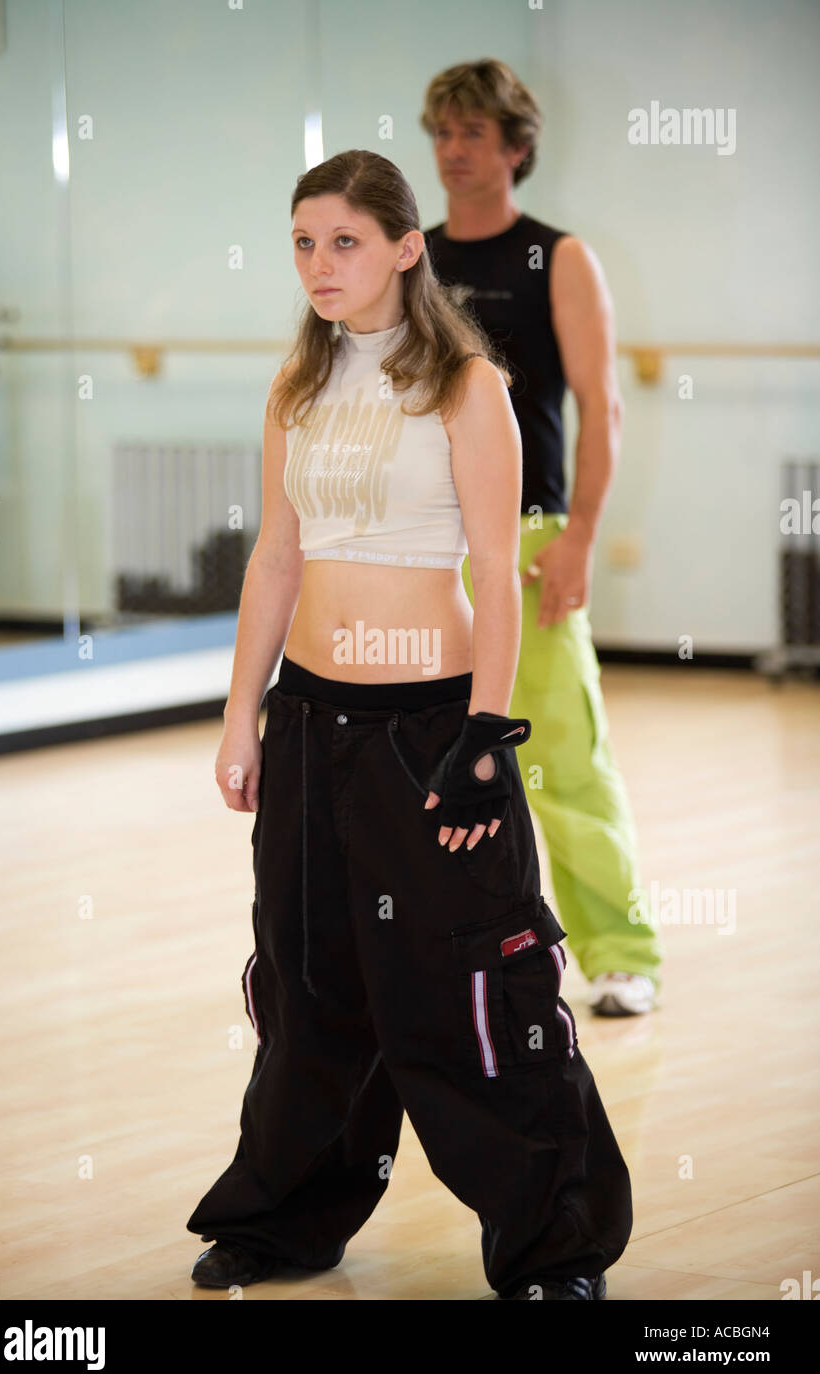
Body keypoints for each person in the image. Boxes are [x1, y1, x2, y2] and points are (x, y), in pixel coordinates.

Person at [186, 148, 632, 1301]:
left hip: (425, 731)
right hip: (308, 723)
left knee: (471, 989)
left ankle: (553, 1247)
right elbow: (274, 558)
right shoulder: (295, 387)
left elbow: (495, 568)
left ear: (403, 247)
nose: (318, 264)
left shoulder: (465, 385)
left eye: (342, 240)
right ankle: (285, 1219)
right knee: (305, 980)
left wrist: (484, 736)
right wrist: (244, 716)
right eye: (300, 241)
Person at [421, 60, 663, 1016]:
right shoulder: (415, 258)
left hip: (531, 537)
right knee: (436, 757)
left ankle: (620, 953)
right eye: (441, 132)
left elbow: (601, 407)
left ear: (517, 149)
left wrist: (581, 539)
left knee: (564, 757)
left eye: (472, 133)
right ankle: (459, 952)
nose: (451, 151)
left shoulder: (558, 257)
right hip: (431, 543)